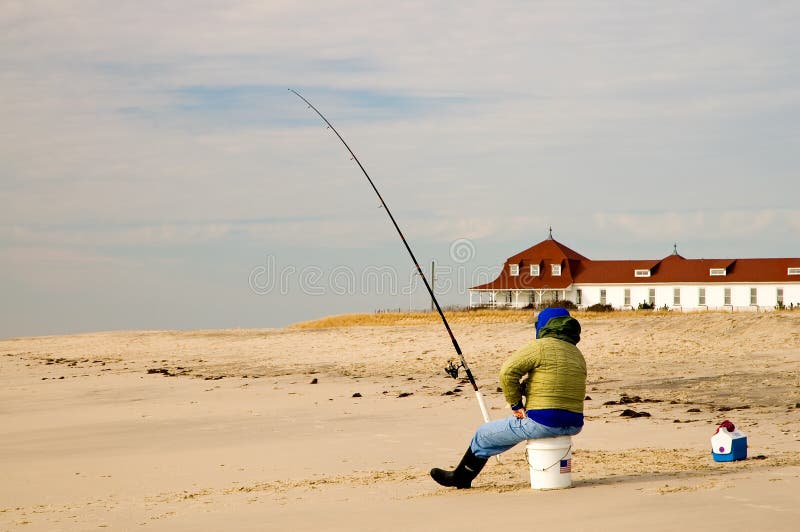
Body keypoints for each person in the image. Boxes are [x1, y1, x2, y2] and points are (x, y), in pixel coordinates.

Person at [430, 307, 587, 489]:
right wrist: (525, 388)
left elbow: (507, 372)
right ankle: (462, 476)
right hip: (574, 423)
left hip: (544, 421)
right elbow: (557, 385)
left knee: (484, 435)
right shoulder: (577, 354)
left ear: (544, 326)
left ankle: (460, 477)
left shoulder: (539, 347)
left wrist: (516, 404)